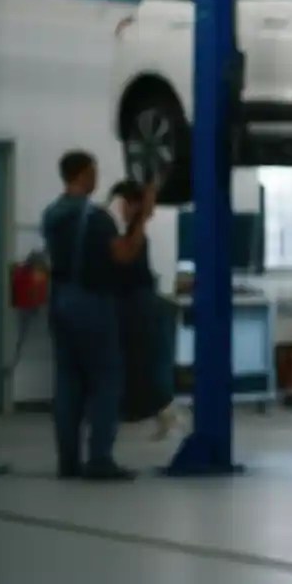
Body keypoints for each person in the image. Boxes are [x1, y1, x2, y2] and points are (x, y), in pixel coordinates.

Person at [40, 151, 153, 480]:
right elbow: (124, 255)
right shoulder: (96, 218)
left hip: (59, 301)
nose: (97, 177)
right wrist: (141, 219)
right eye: (94, 171)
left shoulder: (51, 214)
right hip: (91, 303)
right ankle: (100, 460)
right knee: (106, 380)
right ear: (82, 174)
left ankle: (68, 462)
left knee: (68, 382)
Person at [109, 180, 182, 439]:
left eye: (124, 204)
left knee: (149, 364)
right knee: (142, 365)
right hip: (132, 304)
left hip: (139, 306)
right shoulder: (124, 234)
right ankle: (162, 413)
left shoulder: (134, 237)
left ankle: (166, 413)